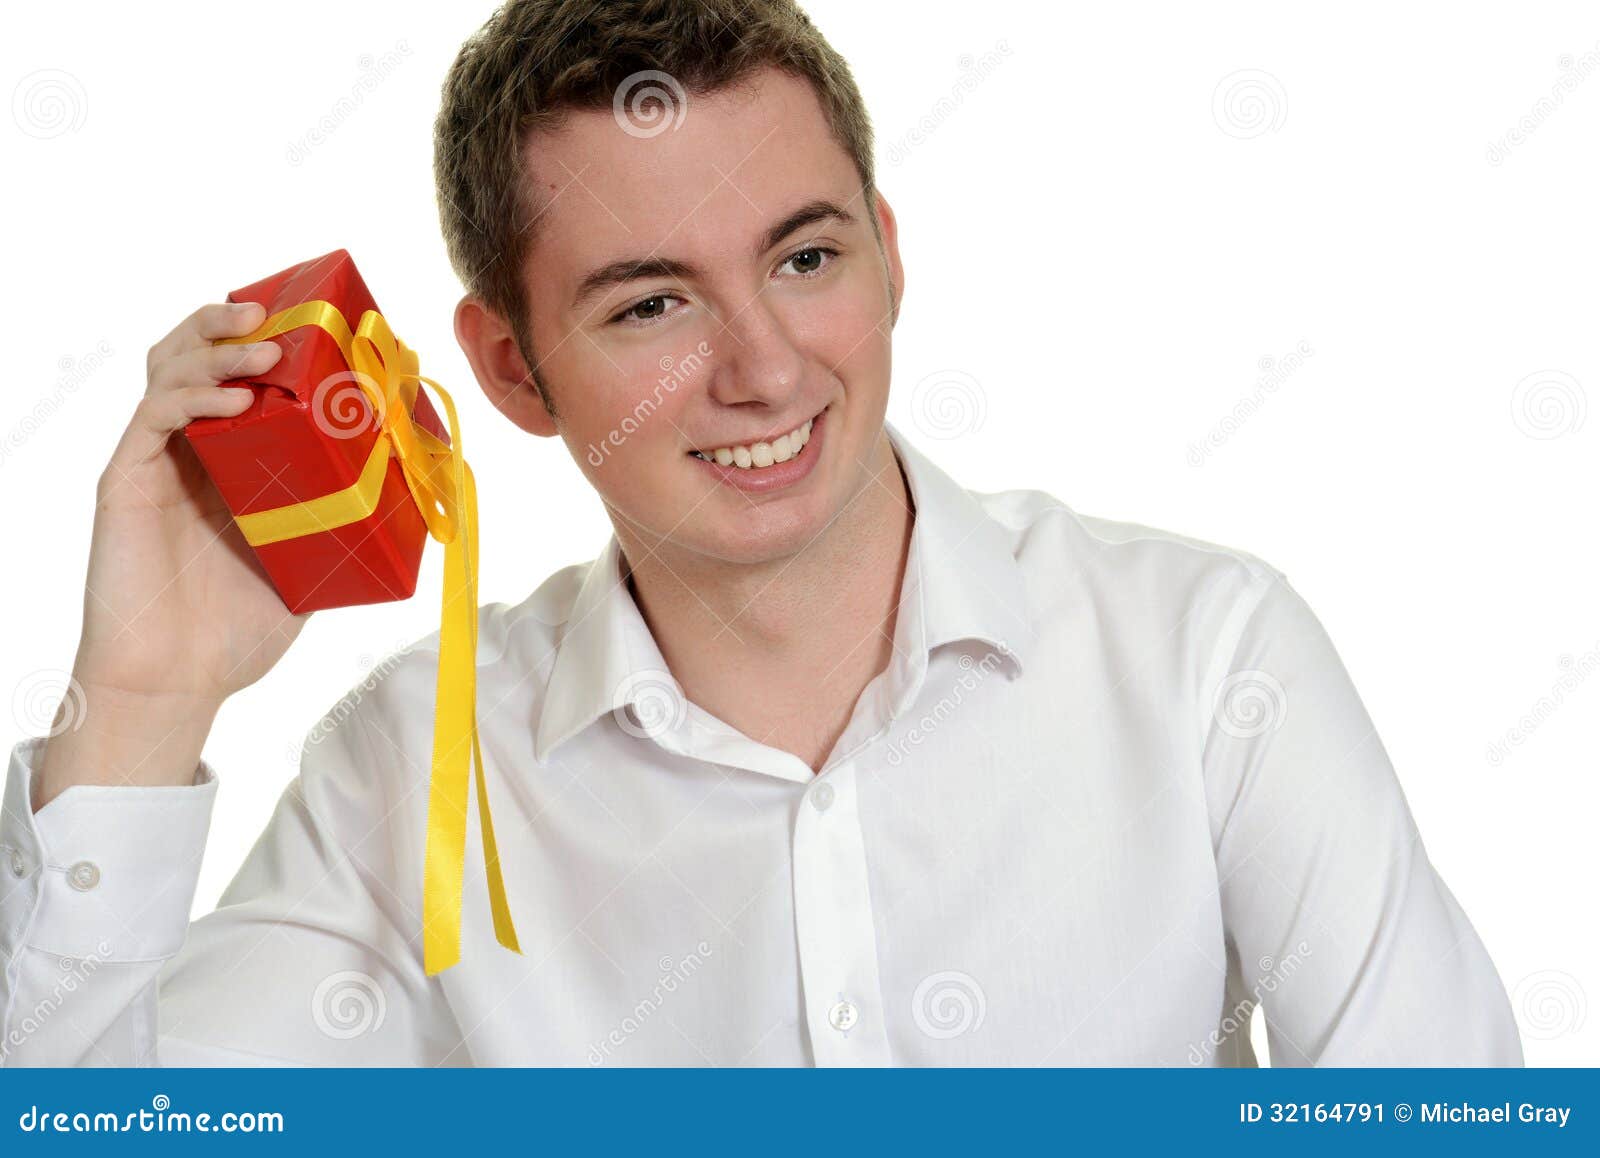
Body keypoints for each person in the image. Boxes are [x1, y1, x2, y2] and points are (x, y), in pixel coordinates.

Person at [1, 0, 1522, 1066]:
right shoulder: (408, 772)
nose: (766, 367)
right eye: (652, 301)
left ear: (891, 250)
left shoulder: (1205, 659)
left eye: (804, 254)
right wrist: (138, 708)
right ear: (513, 367)